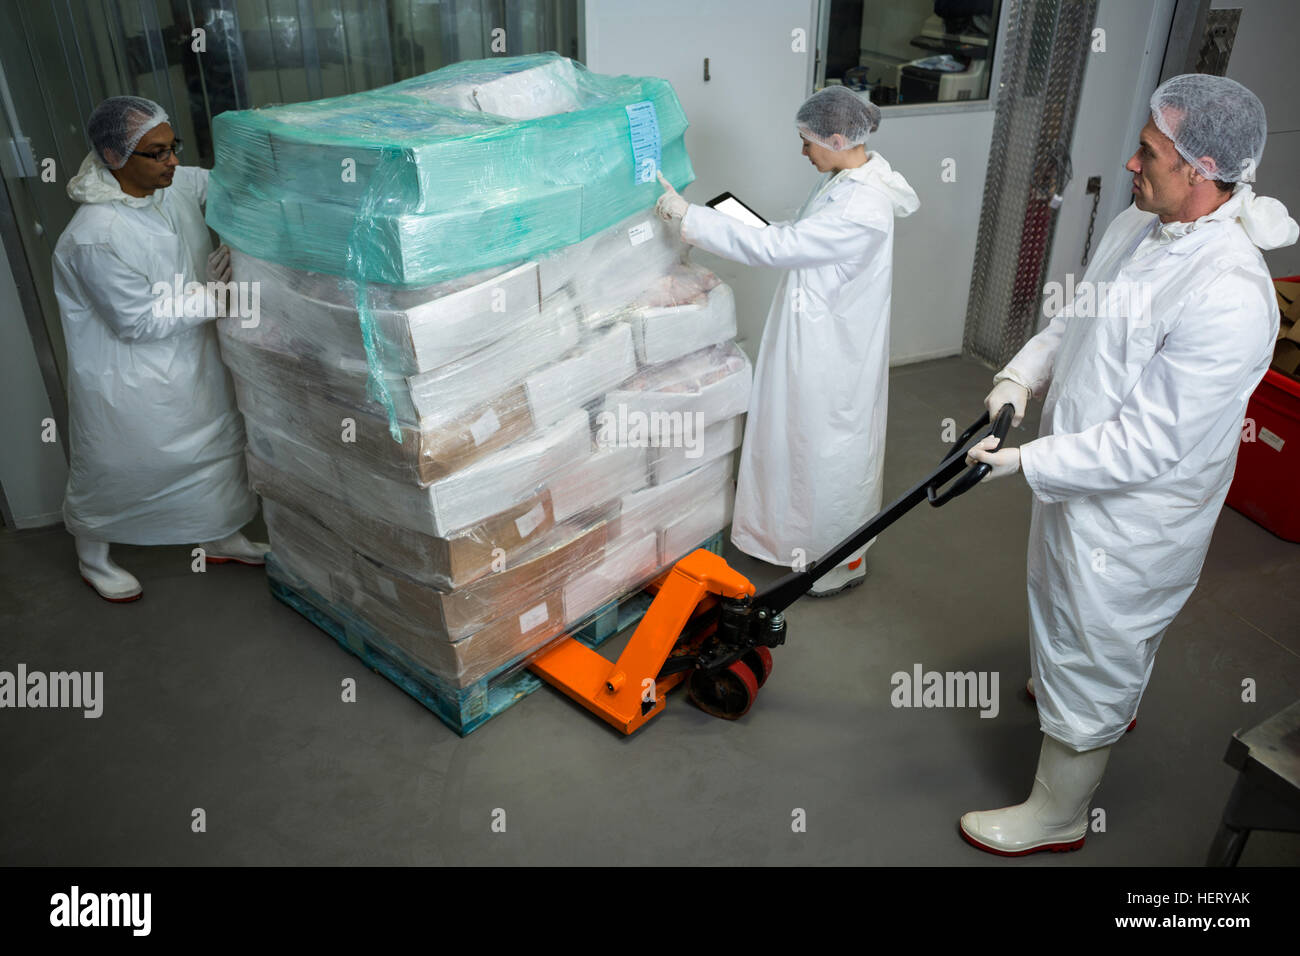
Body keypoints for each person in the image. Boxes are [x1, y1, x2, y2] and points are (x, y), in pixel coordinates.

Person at [960, 74, 1298, 855]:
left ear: (1201, 170)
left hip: (1133, 513)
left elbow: (1149, 445)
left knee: (1099, 635)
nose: (1129, 162)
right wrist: (1022, 374)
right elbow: (1078, 316)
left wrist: (1025, 462)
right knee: (1070, 614)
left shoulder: (1228, 295)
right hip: (1076, 479)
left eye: (1147, 150)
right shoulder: (1140, 225)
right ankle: (1083, 701)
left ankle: (1058, 812)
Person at [656, 86, 918, 596]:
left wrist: (691, 219)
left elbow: (781, 247)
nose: (803, 151)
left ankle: (834, 559)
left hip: (831, 353)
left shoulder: (861, 204)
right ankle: (803, 543)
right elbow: (797, 236)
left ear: (838, 138)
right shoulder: (846, 179)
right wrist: (725, 219)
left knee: (824, 451)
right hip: (814, 336)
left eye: (807, 141)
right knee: (799, 443)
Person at [53, 96, 268, 603]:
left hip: (194, 357)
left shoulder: (169, 187)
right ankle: (94, 556)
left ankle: (219, 535)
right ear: (113, 157)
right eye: (157, 152)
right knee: (118, 466)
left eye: (174, 148)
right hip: (131, 379)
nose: (172, 160)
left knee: (213, 451)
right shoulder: (96, 236)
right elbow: (137, 321)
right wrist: (217, 295)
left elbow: (223, 185)